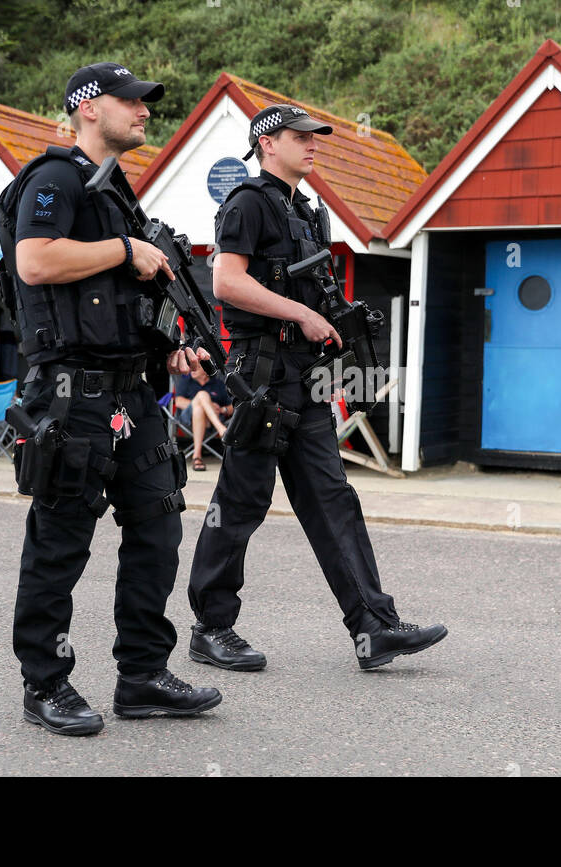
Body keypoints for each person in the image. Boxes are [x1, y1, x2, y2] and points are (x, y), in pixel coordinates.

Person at [186, 104, 447, 673]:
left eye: (315, 137)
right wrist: (300, 315)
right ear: (267, 143)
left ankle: (374, 627)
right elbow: (227, 281)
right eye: (300, 137)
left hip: (306, 378)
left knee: (334, 502)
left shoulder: (307, 212)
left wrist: (335, 321)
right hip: (263, 375)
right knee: (241, 503)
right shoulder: (248, 203)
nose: (313, 145)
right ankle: (211, 627)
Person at [3, 62, 220, 736]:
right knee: (60, 542)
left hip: (135, 396)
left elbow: (116, 303)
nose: (145, 111)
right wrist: (124, 248)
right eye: (131, 101)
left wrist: (169, 348)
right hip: (73, 399)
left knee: (158, 528)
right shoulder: (56, 178)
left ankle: (143, 674)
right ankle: (46, 682)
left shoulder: (117, 194)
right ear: (88, 108)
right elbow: (35, 261)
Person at [173, 368, 231, 471]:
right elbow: (178, 402)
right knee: (201, 396)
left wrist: (223, 409)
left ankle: (197, 456)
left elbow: (231, 407)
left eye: (196, 367)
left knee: (199, 408)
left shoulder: (218, 384)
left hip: (210, 424)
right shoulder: (186, 381)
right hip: (188, 422)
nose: (192, 369)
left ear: (205, 369)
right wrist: (205, 403)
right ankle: (221, 429)